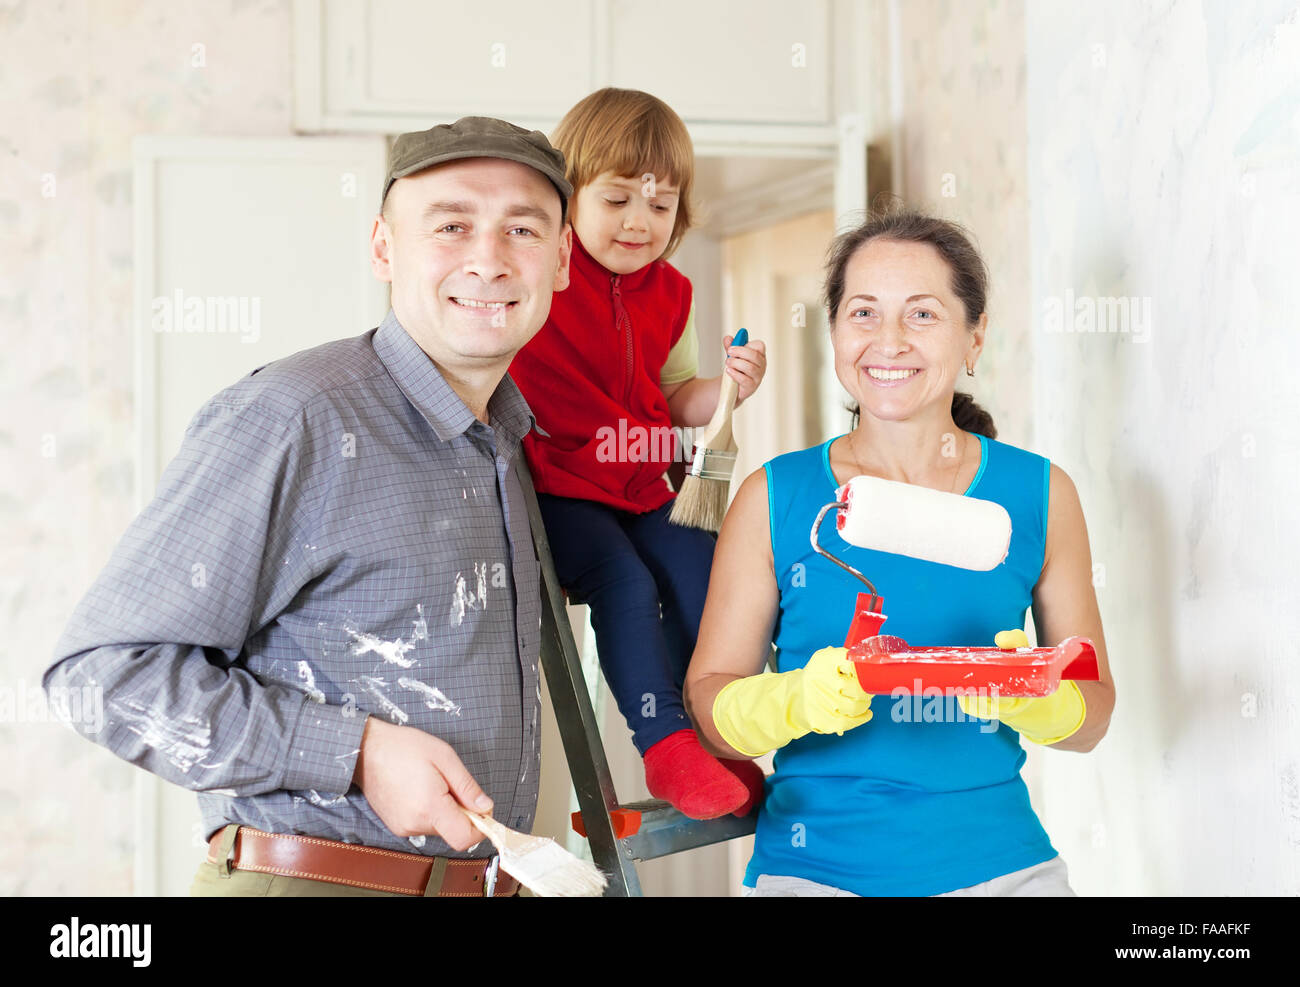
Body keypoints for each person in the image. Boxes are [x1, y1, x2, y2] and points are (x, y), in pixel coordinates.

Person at [43, 117, 574, 897]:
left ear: (561, 258)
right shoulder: (294, 417)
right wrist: (356, 751)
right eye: (452, 224)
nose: (488, 260)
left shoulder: (508, 441)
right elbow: (101, 675)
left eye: (521, 229)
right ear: (384, 249)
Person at [684, 206, 1116, 896]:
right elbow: (709, 710)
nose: (888, 341)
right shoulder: (777, 496)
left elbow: (1093, 713)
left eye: (921, 314)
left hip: (1004, 868)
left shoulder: (1038, 491)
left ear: (974, 339)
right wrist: (796, 700)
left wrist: (1034, 694)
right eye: (862, 313)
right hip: (814, 870)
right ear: (833, 332)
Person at [508, 88, 769, 820]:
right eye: (617, 199)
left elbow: (677, 393)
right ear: (567, 199)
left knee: (701, 567)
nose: (638, 222)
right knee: (625, 583)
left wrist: (727, 390)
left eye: (659, 206)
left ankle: (716, 733)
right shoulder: (539, 278)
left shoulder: (673, 293)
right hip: (561, 485)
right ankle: (665, 747)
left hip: (642, 477)